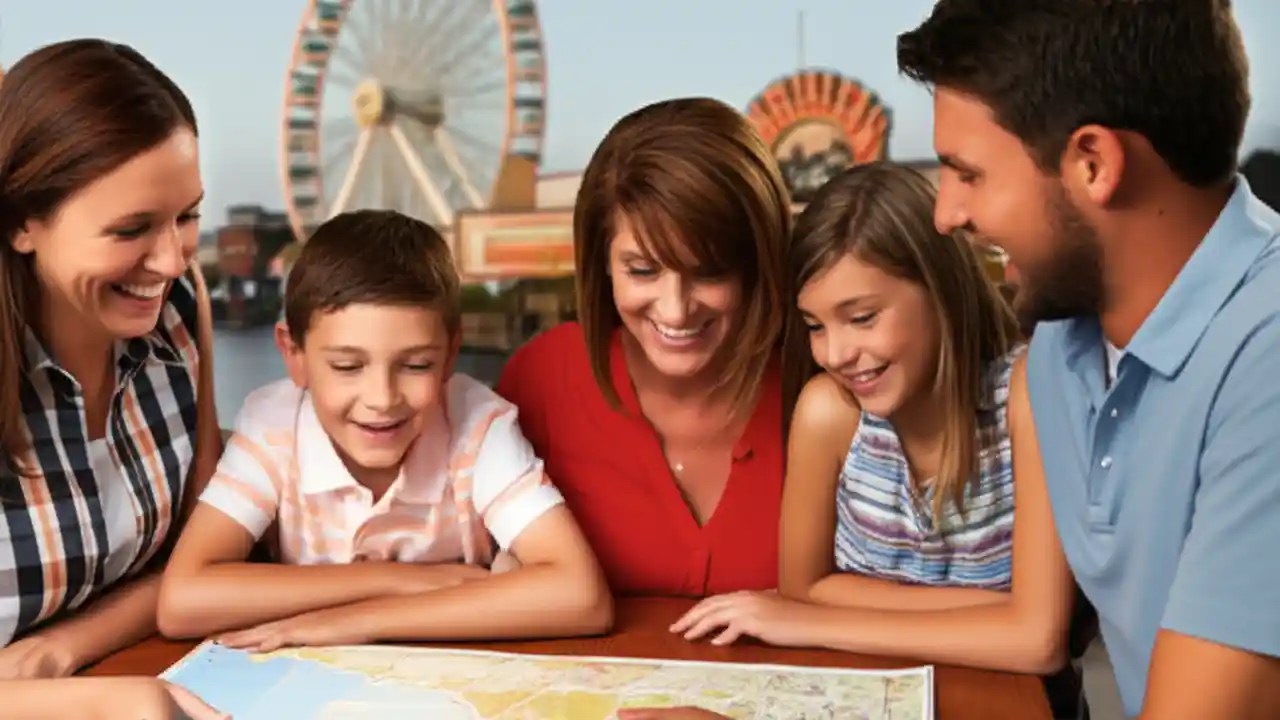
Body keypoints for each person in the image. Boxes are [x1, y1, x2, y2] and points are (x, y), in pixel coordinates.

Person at [897, 1, 1280, 718]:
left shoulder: (1268, 360)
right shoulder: (1062, 345)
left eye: (967, 173)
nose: (944, 213)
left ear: (1095, 163)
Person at [669, 163, 1086, 719]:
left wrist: (816, 617)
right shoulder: (828, 414)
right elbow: (802, 586)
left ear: (939, 291)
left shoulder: (1028, 398)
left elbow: (1039, 643)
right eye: (815, 326)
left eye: (862, 318)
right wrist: (1001, 613)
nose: (836, 353)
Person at [157, 209, 612, 649]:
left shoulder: (480, 426)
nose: (382, 398)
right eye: (347, 366)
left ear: (451, 354)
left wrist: (356, 621)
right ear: (293, 354)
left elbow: (582, 595)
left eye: (416, 365)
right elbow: (183, 601)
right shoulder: (273, 425)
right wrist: (403, 579)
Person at [496, 97, 804, 597]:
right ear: (601, 265)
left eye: (709, 272)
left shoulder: (818, 387)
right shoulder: (542, 380)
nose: (676, 309)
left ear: (757, 264)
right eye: (643, 271)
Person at [0, 39, 226, 719]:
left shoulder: (182, 312)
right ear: (22, 224)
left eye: (187, 217)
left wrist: (62, 649)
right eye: (132, 229)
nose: (169, 259)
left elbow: (202, 564)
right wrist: (104, 703)